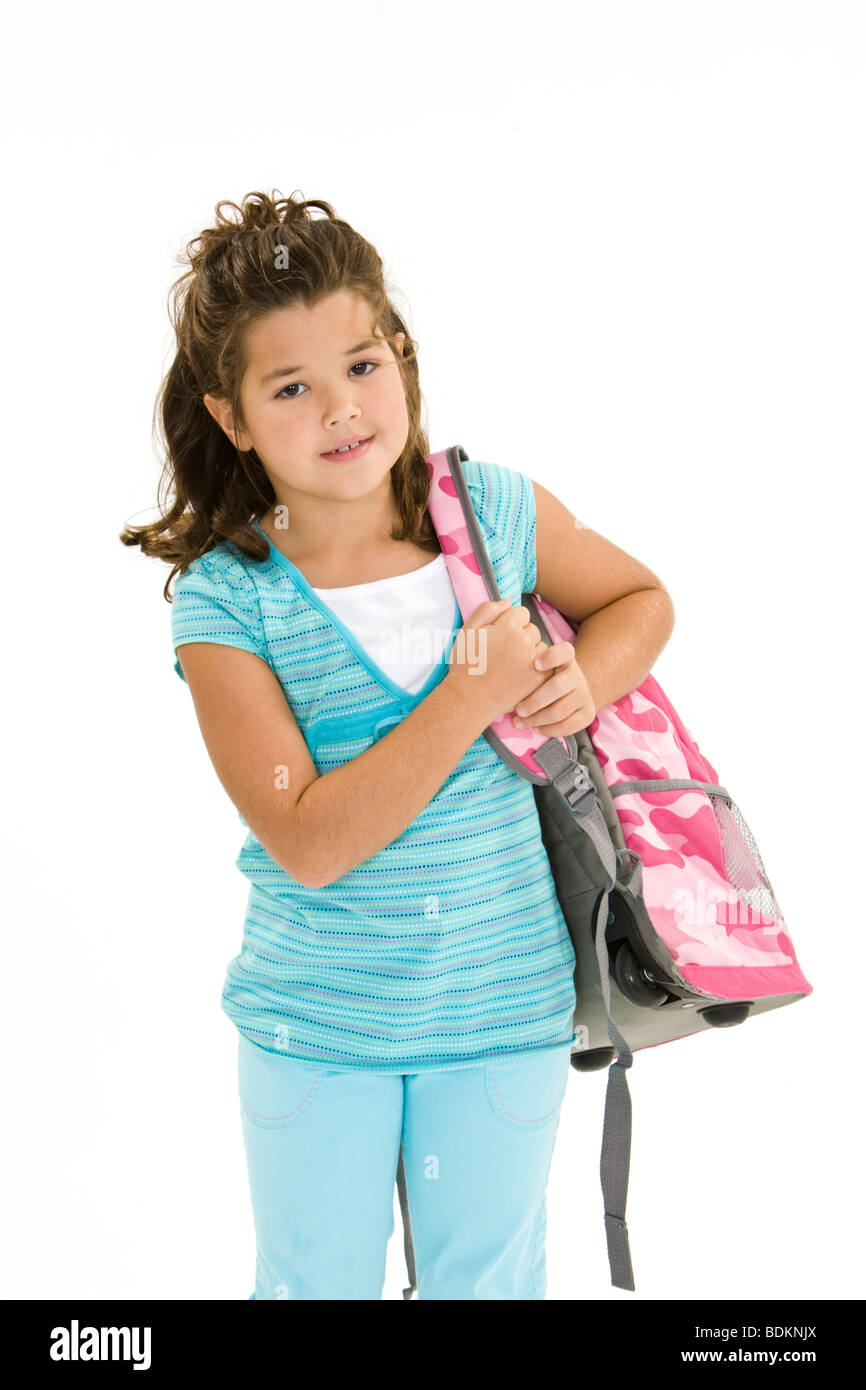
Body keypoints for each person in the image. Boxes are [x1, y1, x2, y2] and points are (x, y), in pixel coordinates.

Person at [121, 188, 675, 1300]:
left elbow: (638, 600)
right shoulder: (228, 604)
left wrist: (577, 676)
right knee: (314, 1286)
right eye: (292, 387)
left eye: (363, 365)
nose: (342, 408)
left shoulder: (496, 513)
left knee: (489, 1286)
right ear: (231, 417)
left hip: (503, 1007)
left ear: (402, 359)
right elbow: (309, 841)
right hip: (314, 1024)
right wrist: (469, 697)